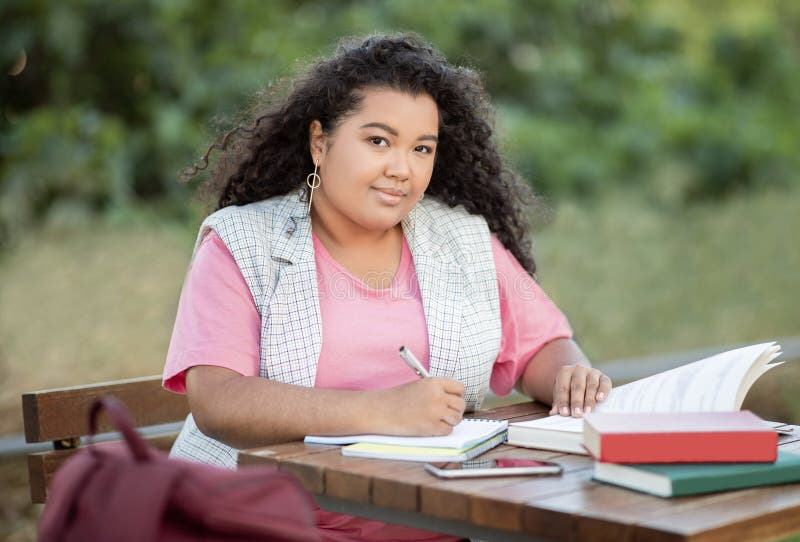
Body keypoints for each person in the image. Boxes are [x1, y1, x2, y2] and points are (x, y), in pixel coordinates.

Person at [163, 33, 612, 541]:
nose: (402, 169)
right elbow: (218, 401)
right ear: (319, 141)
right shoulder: (243, 243)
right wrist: (379, 412)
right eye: (378, 141)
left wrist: (572, 377)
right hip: (261, 524)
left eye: (422, 149)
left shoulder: (462, 241)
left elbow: (543, 345)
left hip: (433, 523)